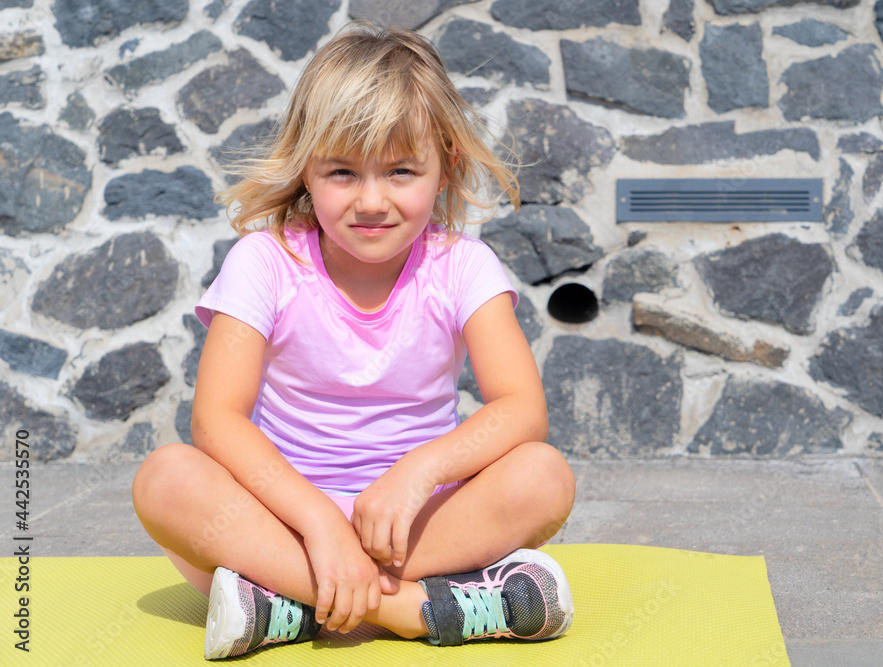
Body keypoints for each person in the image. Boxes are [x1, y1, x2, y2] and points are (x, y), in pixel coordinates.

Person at [131, 22, 576, 659]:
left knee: (544, 476)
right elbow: (216, 421)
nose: (372, 200)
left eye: (400, 171)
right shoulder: (264, 261)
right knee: (166, 479)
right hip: (282, 525)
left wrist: (418, 472)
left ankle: (293, 605)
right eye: (343, 171)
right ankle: (420, 609)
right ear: (306, 168)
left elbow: (522, 410)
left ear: (444, 166)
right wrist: (318, 523)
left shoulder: (463, 265)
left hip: (417, 529)